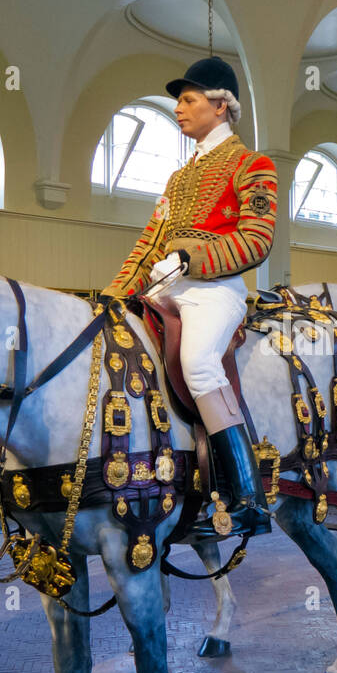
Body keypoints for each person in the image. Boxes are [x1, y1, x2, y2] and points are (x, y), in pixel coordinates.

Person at [102, 57, 276, 536]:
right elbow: (149, 243)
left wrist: (193, 255)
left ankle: (248, 498)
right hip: (164, 288)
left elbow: (258, 239)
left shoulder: (252, 165)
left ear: (221, 107)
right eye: (179, 100)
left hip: (215, 290)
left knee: (199, 362)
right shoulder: (178, 178)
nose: (178, 108)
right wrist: (114, 296)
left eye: (188, 99)